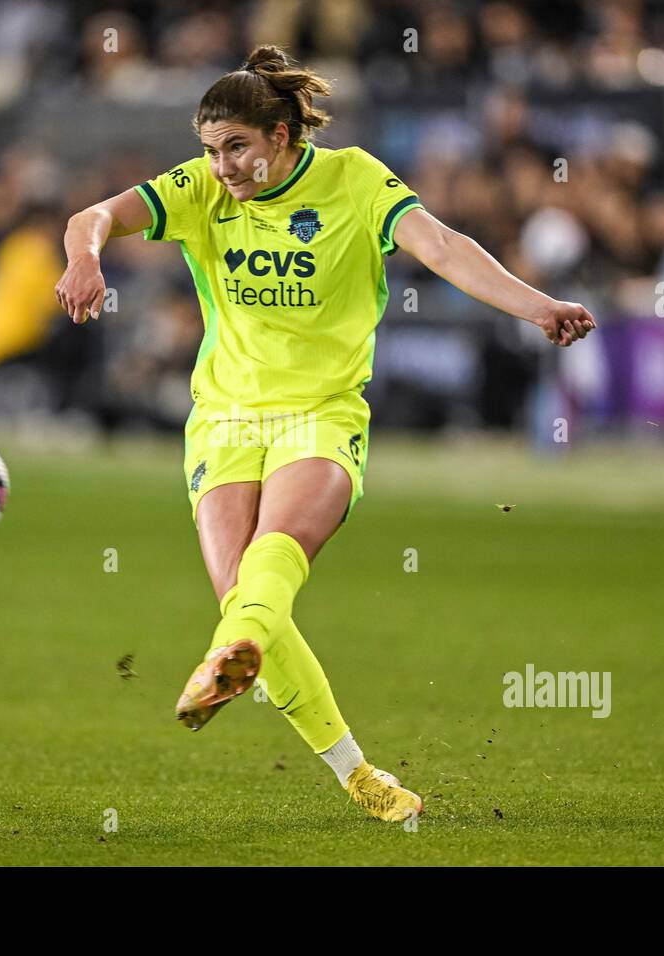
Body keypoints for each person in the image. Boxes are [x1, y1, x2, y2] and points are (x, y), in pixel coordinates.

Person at [56, 45, 595, 822]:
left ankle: (223, 657)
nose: (223, 167)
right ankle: (356, 772)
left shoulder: (354, 181)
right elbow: (94, 215)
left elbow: (442, 246)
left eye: (237, 147)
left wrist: (536, 305)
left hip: (322, 413)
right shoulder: (203, 191)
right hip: (224, 422)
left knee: (268, 577)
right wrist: (85, 258)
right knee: (251, 609)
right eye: (211, 151)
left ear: (281, 135)